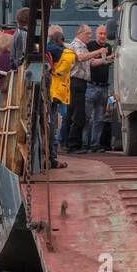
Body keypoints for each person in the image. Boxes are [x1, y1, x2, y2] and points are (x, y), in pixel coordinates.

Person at [65, 24, 108, 151]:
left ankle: (74, 144)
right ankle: (74, 145)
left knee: (77, 114)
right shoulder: (77, 45)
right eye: (88, 34)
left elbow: (91, 62)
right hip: (76, 81)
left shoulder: (83, 46)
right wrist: (99, 51)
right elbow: (81, 57)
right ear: (80, 33)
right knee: (78, 114)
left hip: (81, 83)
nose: (90, 36)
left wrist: (107, 60)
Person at [46, 26, 75, 169]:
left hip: (48, 92)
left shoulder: (46, 49)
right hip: (56, 93)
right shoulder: (66, 53)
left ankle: (48, 156)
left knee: (48, 124)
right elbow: (64, 68)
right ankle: (52, 157)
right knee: (52, 126)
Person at [83, 24, 114, 152]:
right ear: (96, 34)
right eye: (100, 33)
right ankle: (84, 144)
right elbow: (91, 64)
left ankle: (95, 145)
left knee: (99, 118)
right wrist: (106, 59)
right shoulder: (89, 46)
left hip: (103, 87)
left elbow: (108, 62)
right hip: (91, 86)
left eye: (105, 34)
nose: (103, 36)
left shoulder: (108, 47)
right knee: (86, 117)